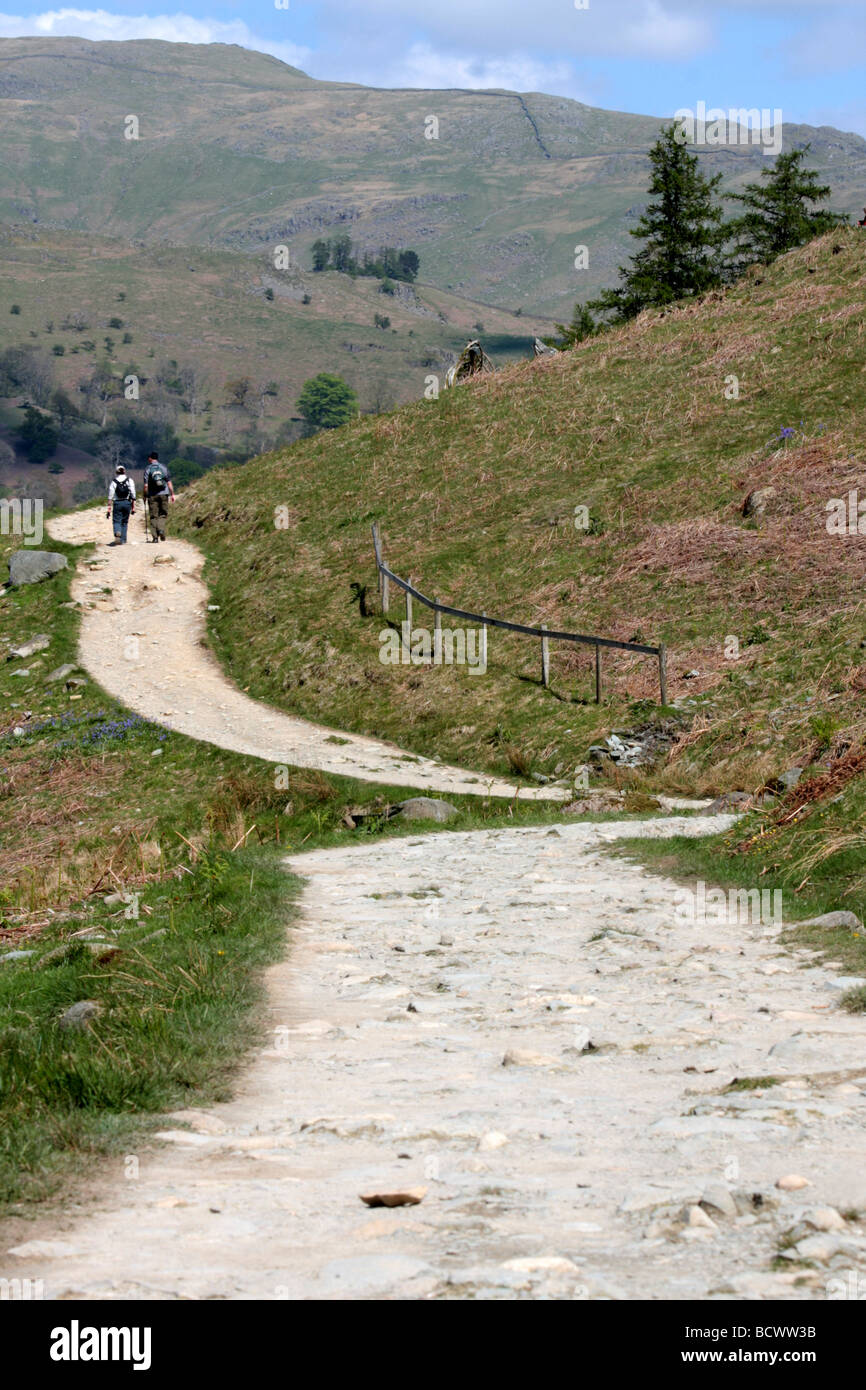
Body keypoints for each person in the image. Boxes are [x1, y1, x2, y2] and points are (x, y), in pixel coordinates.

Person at [142, 451, 175, 542]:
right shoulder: (163, 468)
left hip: (152, 495)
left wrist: (145, 496)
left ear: (150, 458)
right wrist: (172, 494)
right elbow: (169, 482)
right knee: (163, 514)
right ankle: (161, 529)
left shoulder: (148, 469)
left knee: (153, 516)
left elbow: (145, 486)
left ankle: (155, 537)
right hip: (164, 493)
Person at [106, 464, 136, 544]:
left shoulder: (114, 482)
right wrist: (133, 504)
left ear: (116, 472)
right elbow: (133, 493)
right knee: (124, 522)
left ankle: (117, 532)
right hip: (127, 503)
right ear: (124, 471)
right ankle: (123, 540)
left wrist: (109, 506)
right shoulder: (130, 480)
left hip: (117, 503)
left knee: (116, 521)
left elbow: (110, 495)